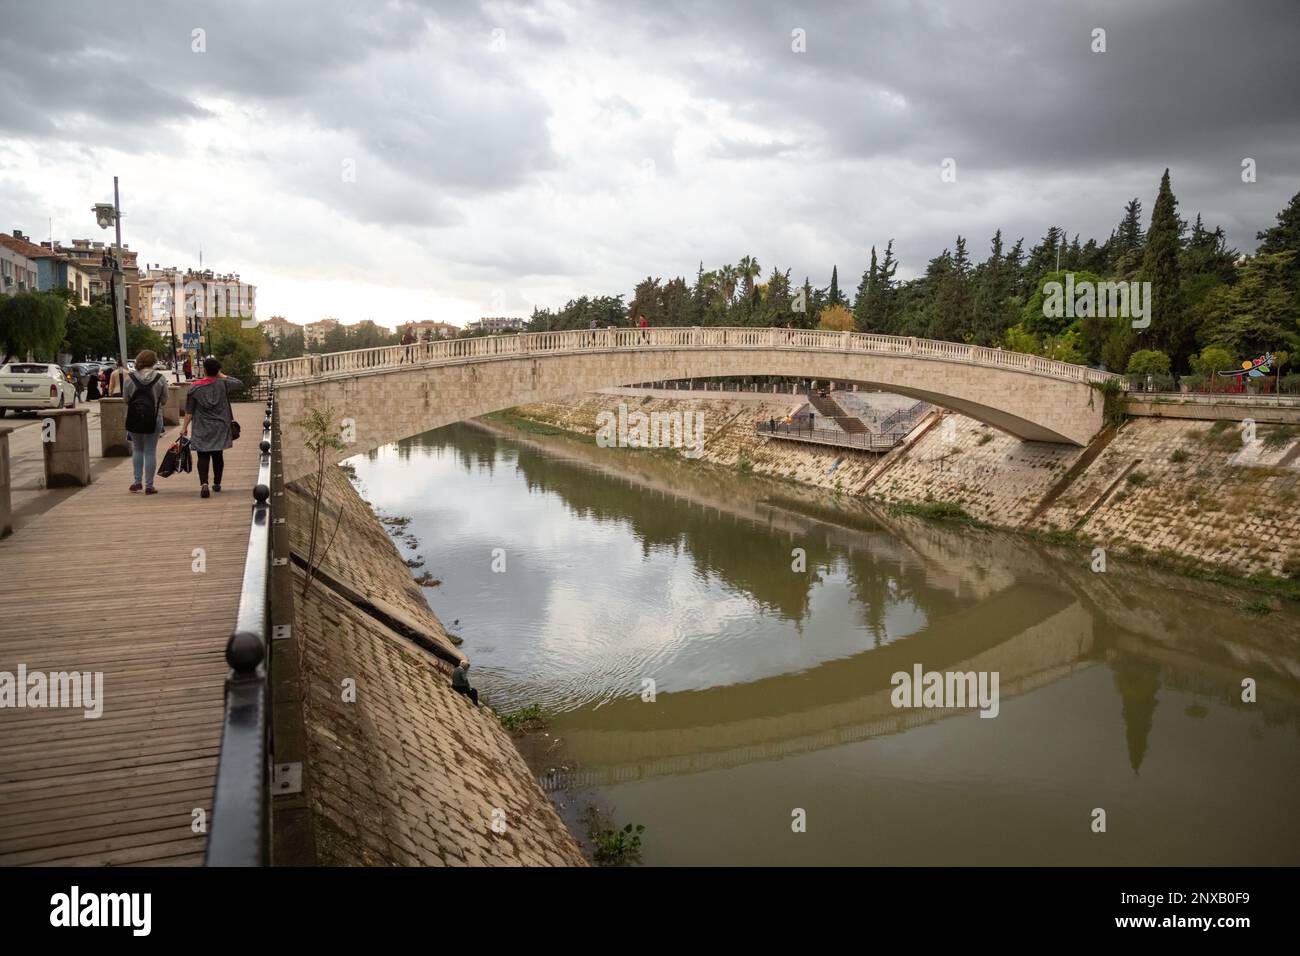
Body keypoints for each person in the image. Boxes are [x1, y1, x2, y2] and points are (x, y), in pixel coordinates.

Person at [180, 356, 244, 498]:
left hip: (201, 426)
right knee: (217, 454)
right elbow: (239, 383)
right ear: (217, 370)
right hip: (220, 426)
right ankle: (217, 483)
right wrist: (221, 375)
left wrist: (184, 427)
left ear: (205, 370)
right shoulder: (223, 384)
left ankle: (204, 484)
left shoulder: (195, 388)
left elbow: (189, 410)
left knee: (203, 455)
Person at [122, 350, 170, 495]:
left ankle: (137, 482)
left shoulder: (129, 378)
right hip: (155, 417)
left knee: (137, 449)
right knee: (150, 450)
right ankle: (149, 485)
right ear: (154, 361)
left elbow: (126, 400)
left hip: (134, 418)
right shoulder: (160, 379)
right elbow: (164, 400)